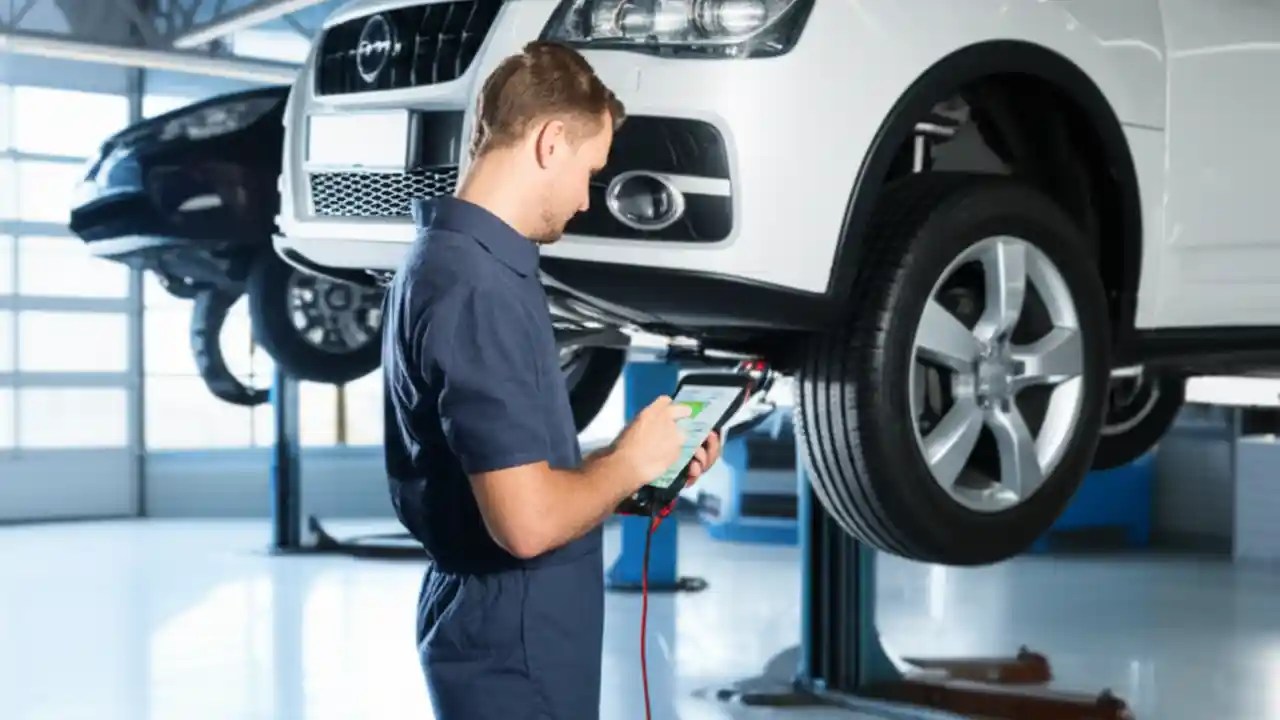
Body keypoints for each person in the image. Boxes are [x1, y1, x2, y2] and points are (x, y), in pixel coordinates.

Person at [381, 41, 723, 719]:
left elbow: (514, 485)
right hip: (515, 640)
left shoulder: (455, 262)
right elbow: (526, 524)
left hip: (504, 627)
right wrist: (627, 463)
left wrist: (629, 468)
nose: (585, 199)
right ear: (550, 140)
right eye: (589, 171)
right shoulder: (478, 286)